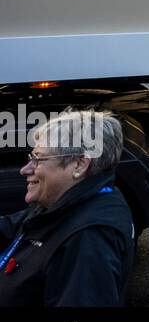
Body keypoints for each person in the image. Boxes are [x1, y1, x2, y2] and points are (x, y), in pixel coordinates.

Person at [0, 111, 134, 307]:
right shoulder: (63, 204)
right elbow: (16, 227)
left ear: (79, 164)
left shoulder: (88, 238)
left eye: (38, 159)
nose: (25, 169)